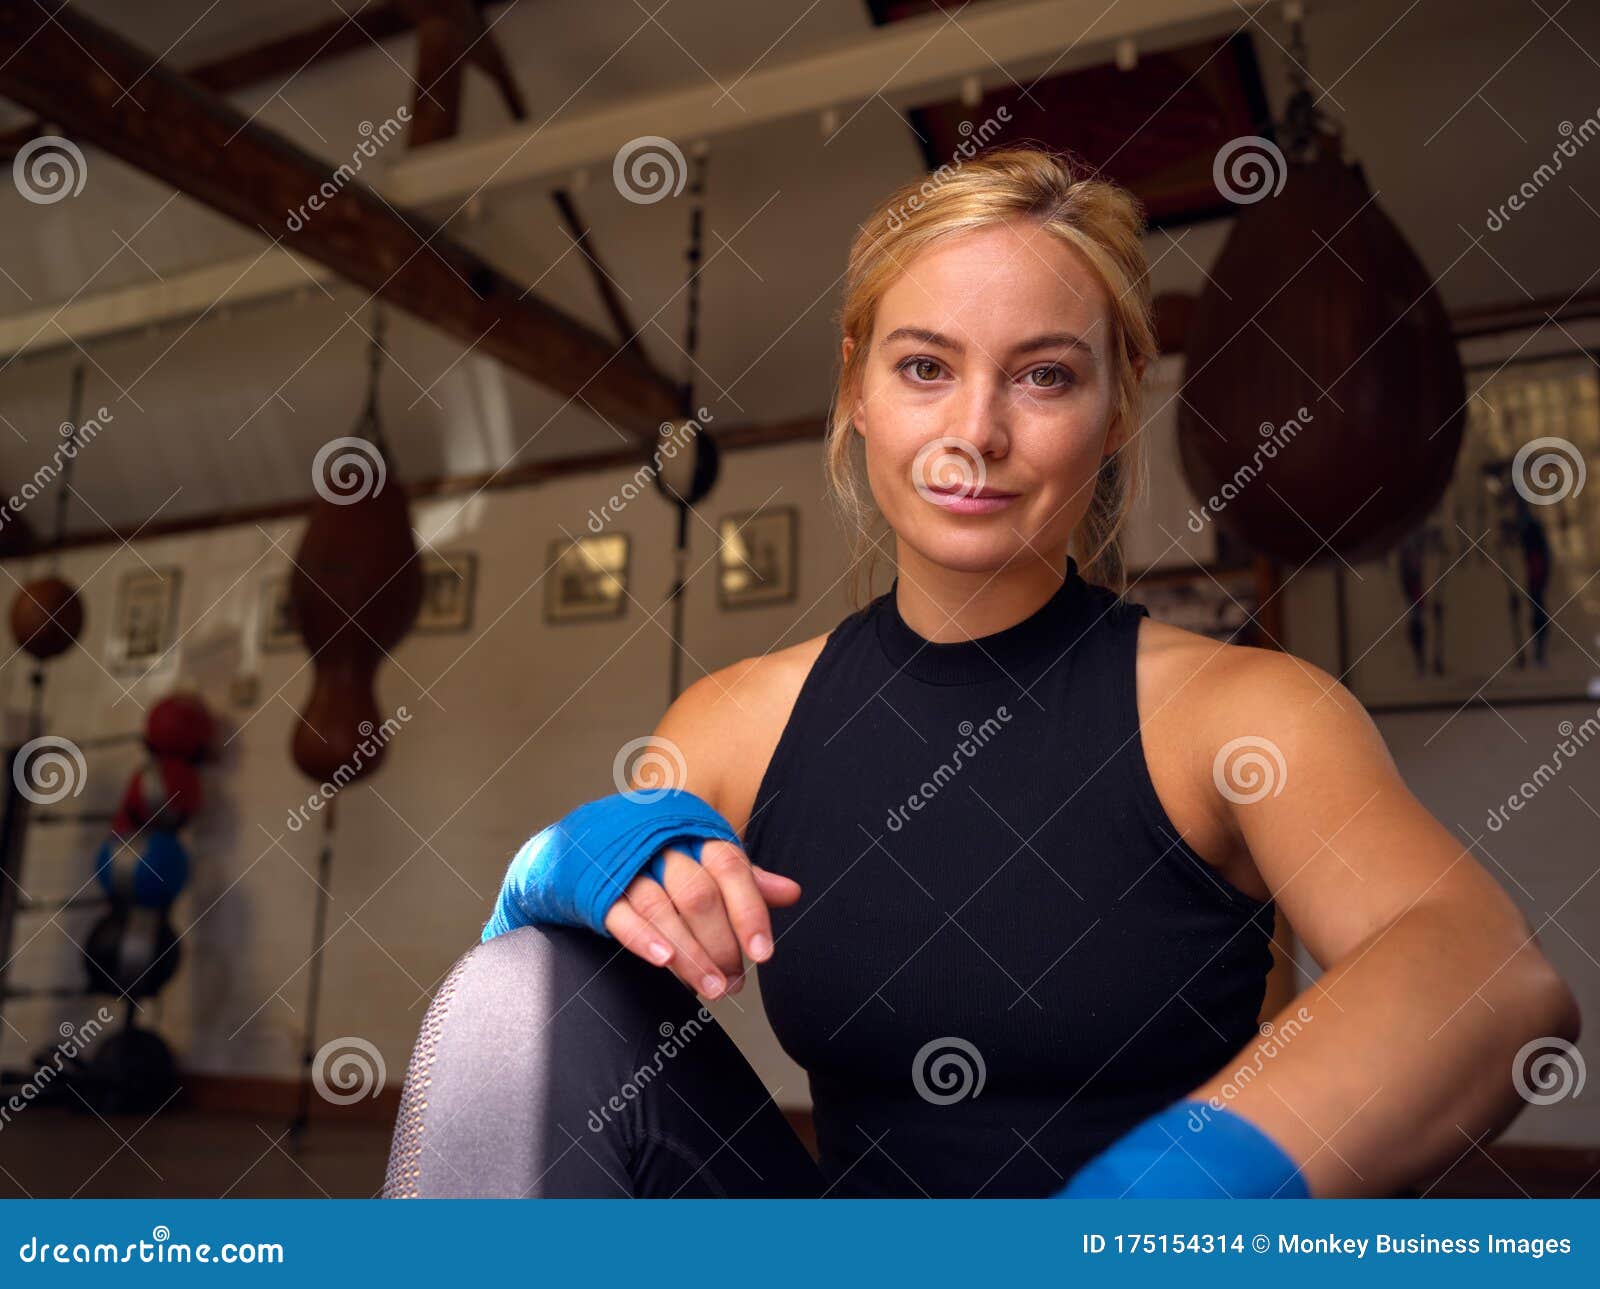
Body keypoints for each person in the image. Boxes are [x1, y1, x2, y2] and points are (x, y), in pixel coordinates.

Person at [383, 144, 1580, 1200]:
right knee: (521, 986)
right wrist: (543, 881)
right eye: (923, 367)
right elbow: (543, 1063)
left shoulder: (1236, 710)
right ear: (856, 387)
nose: (978, 430)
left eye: (1046, 374)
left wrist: (1176, 1196)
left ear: (1117, 408)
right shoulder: (737, 721)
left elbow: (1489, 976)